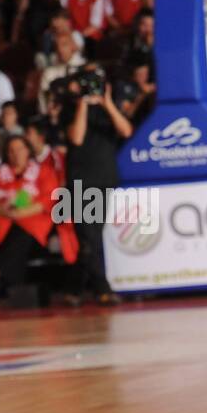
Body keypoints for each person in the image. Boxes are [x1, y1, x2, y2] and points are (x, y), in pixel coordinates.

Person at [62, 73, 133, 303]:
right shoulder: (69, 109)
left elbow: (126, 131)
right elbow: (77, 138)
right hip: (81, 182)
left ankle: (73, 289)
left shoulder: (108, 111)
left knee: (90, 238)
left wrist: (108, 103)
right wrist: (82, 104)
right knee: (90, 236)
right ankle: (102, 289)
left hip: (104, 179)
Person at [0, 135, 64, 295]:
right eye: (11, 150)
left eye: (19, 149)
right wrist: (4, 211)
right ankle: (10, 287)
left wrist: (21, 212)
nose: (15, 153)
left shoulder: (43, 172)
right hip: (1, 221)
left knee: (21, 235)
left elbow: (48, 198)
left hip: (32, 223)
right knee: (6, 239)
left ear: (27, 151)